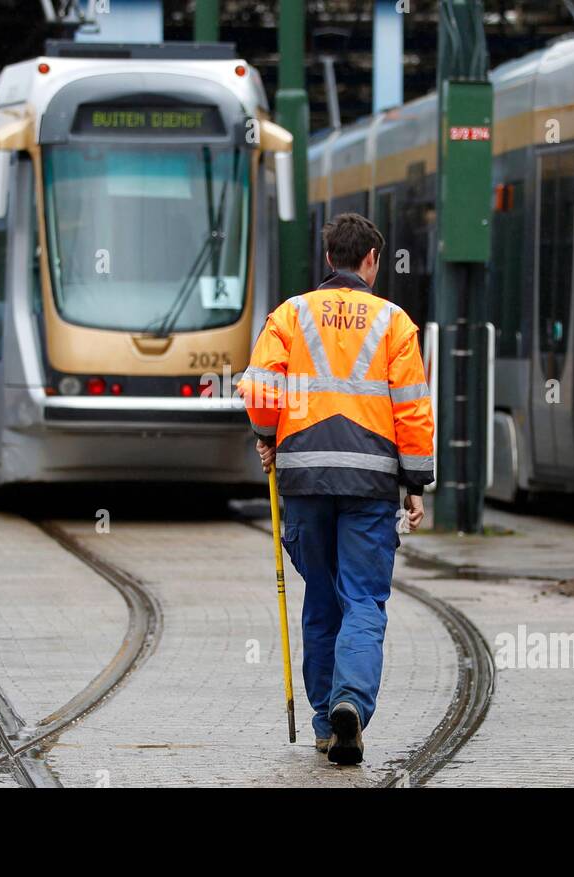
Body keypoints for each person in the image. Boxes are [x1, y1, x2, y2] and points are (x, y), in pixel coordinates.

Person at [238, 213, 435, 765]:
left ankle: (326, 721)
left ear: (328, 260)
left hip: (303, 479)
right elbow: (413, 408)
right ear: (372, 259)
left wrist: (267, 436)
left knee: (322, 599)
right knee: (364, 599)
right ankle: (351, 700)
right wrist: (416, 482)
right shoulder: (395, 322)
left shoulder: (290, 315)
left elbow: (259, 387)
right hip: (370, 483)